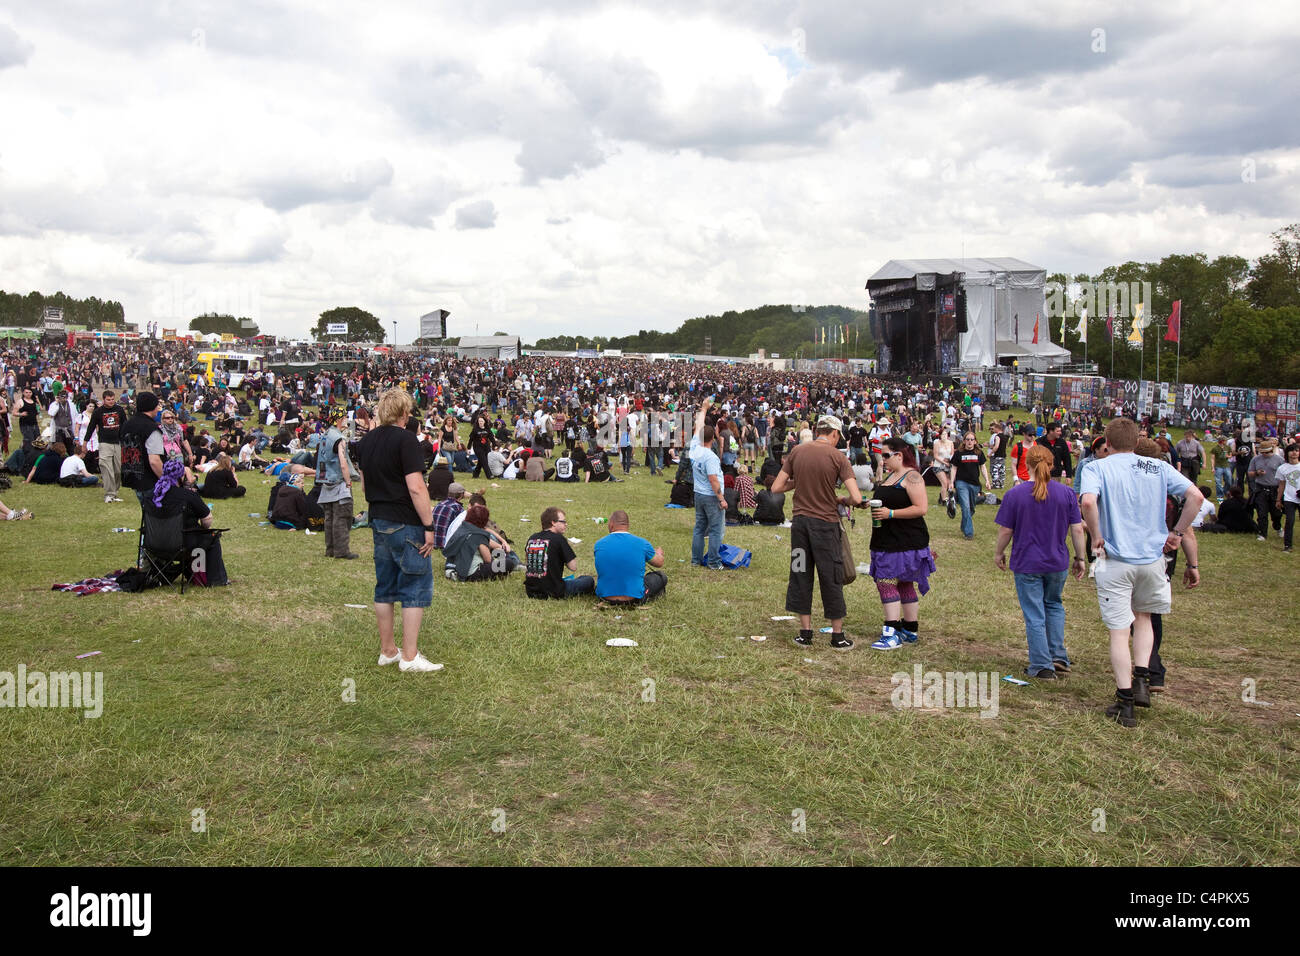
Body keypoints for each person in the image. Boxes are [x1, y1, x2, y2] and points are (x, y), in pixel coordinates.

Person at [1079, 418, 1202, 728]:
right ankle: (1143, 679)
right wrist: (1177, 531)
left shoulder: (1098, 467)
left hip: (1117, 559)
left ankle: (1125, 700)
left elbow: (1089, 501)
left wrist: (1095, 534)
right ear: (1136, 441)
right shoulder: (1157, 466)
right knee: (1144, 618)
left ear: (1107, 442)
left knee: (1120, 630)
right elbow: (1196, 497)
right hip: (1152, 559)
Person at [354, 388, 440, 672]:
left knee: (385, 587)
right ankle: (410, 656)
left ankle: (388, 650)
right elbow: (416, 487)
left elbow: (364, 487)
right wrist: (429, 525)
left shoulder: (366, 442)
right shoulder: (406, 440)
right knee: (415, 586)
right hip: (406, 521)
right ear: (404, 414)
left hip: (378, 518)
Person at [772, 414, 865, 650]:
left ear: (817, 430)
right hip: (826, 526)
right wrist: (842, 498)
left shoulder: (797, 452)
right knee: (831, 575)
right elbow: (856, 497)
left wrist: (799, 481)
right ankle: (837, 635)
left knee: (800, 571)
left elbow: (776, 487)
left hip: (800, 526)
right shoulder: (838, 457)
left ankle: (805, 632)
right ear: (834, 433)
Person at [994, 445, 1087, 680]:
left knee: (1034, 613)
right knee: (1054, 605)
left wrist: (999, 552)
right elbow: (1077, 529)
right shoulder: (1065, 494)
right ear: (1052, 465)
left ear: (1027, 465)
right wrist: (1080, 557)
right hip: (1057, 561)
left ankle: (1042, 665)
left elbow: (1006, 530)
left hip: (1027, 562)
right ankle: (1057, 656)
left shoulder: (1015, 494)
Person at [866, 436, 934, 649]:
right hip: (888, 538)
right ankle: (910, 629)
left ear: (899, 455)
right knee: (904, 582)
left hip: (903, 541)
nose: (882, 459)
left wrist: (891, 513)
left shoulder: (912, 476)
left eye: (886, 455)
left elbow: (921, 508)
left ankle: (891, 632)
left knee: (886, 582)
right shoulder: (893, 475)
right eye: (881, 455)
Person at [146, 458, 228, 586]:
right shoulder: (187, 495)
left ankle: (165, 573)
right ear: (181, 476)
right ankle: (214, 579)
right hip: (182, 546)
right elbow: (207, 519)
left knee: (198, 537)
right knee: (211, 537)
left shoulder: (151, 495)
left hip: (153, 544)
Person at [593, 510, 667, 604]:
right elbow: (659, 563)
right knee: (661, 576)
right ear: (627, 525)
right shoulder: (642, 543)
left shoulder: (599, 544)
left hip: (604, 597)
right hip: (634, 598)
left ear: (611, 524)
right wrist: (659, 553)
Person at [688, 397, 727, 569]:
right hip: (711, 496)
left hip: (699, 494)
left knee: (699, 528)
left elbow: (698, 426)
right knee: (715, 530)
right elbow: (713, 479)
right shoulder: (710, 457)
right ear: (713, 439)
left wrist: (704, 408)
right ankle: (713, 561)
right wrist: (721, 499)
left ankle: (696, 560)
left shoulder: (694, 449)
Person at [524, 506, 595, 599]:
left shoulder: (532, 538)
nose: (566, 524)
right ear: (553, 522)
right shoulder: (558, 538)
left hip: (531, 591)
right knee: (588, 580)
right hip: (554, 591)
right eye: (563, 521)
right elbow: (573, 567)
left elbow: (527, 561)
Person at [316, 408, 358, 559]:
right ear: (340, 419)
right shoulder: (339, 438)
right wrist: (348, 481)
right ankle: (341, 551)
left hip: (325, 481)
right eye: (346, 417)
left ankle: (330, 549)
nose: (347, 419)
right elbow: (343, 463)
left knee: (329, 517)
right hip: (338, 480)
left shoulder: (325, 435)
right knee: (342, 517)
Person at [120, 391, 166, 505]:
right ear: (152, 407)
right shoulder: (151, 428)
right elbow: (154, 461)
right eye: (157, 406)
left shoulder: (127, 424)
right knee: (158, 518)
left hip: (133, 477)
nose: (158, 409)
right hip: (150, 480)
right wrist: (166, 481)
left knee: (148, 515)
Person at [84, 389, 126, 504]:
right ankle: (109, 494)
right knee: (107, 469)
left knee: (117, 470)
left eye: (112, 399)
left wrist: (126, 441)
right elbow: (91, 427)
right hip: (104, 443)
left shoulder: (119, 410)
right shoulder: (98, 412)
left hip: (118, 443)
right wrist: (84, 443)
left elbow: (124, 425)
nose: (111, 401)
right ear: (104, 400)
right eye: (108, 400)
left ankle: (115, 492)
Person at [952, 431, 992, 540]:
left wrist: (987, 480)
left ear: (975, 441)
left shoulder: (978, 453)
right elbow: (954, 468)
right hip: (961, 483)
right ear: (964, 441)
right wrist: (951, 482)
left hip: (974, 484)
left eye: (972, 440)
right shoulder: (958, 453)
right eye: (967, 439)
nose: (970, 442)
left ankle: (963, 524)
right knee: (965, 506)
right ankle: (969, 533)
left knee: (971, 508)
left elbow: (983, 467)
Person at [1246, 439, 1284, 541]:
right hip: (1260, 488)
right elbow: (1250, 473)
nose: (1264, 454)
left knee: (1276, 513)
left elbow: (1284, 476)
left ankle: (1278, 527)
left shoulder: (1279, 460)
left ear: (1271, 450)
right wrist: (1257, 473)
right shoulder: (1255, 459)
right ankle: (1262, 533)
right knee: (1261, 513)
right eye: (1263, 452)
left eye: (1266, 452)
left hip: (1274, 489)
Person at [1275, 443, 1300, 553]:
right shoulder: (1282, 468)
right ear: (1287, 453)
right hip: (1289, 498)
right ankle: (1287, 545)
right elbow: (1281, 485)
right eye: (1291, 450)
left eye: (1297, 450)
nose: (1294, 453)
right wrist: (1278, 499)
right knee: (1289, 521)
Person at [430, 482, 466, 549]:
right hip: (446, 543)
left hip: (432, 540)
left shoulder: (440, 504)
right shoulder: (457, 508)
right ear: (461, 495)